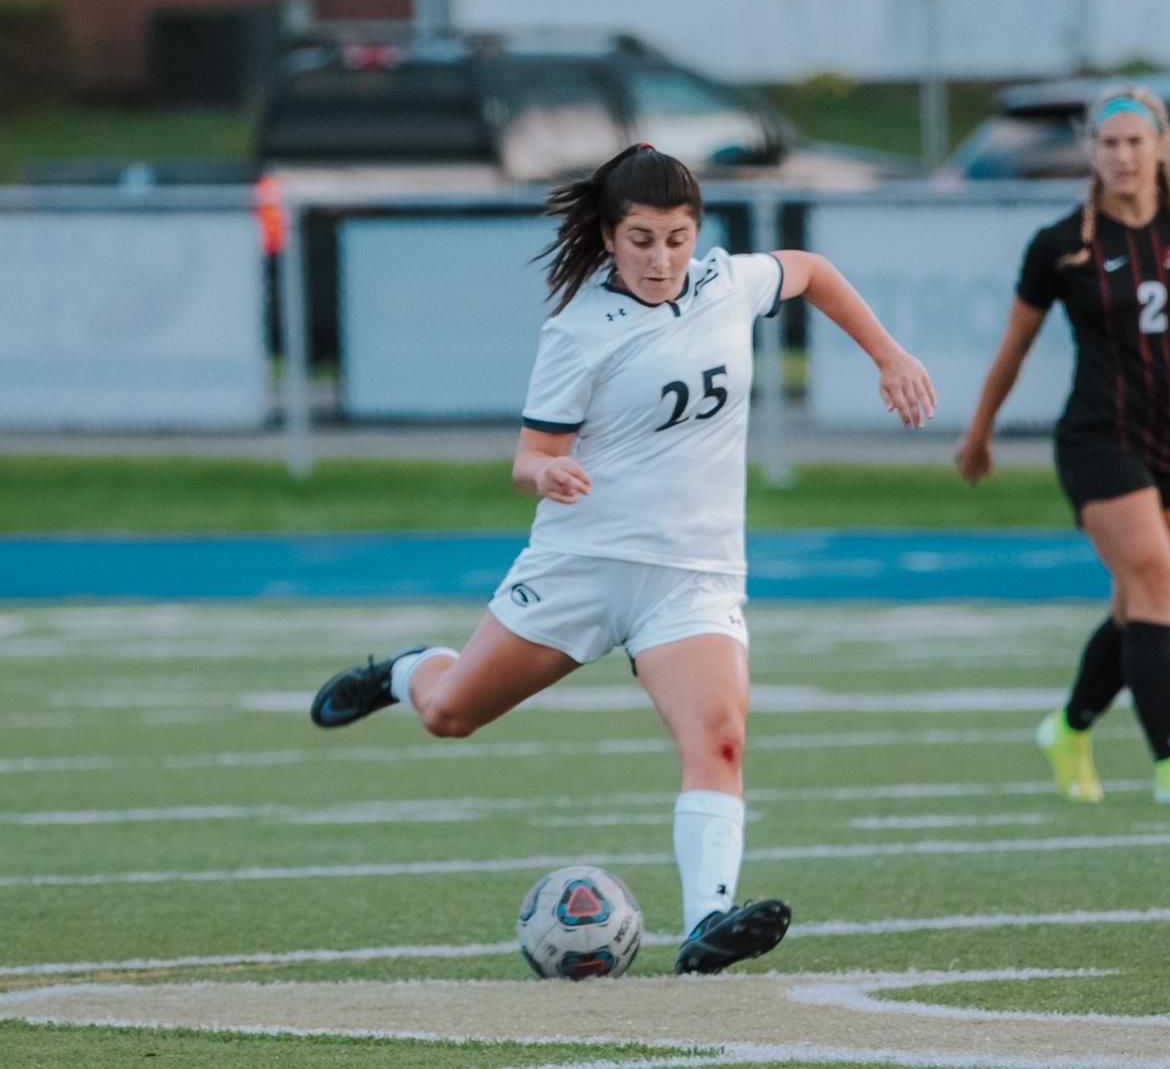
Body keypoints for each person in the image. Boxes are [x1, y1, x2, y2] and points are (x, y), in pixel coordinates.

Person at [308, 144, 936, 973]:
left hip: (692, 576)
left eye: (677, 237)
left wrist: (887, 353)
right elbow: (528, 456)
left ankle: (708, 922)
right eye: (641, 238)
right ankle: (405, 672)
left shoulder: (724, 283)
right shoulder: (579, 330)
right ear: (608, 236)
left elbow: (812, 270)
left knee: (718, 737)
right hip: (583, 565)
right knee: (450, 714)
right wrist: (548, 469)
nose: (661, 258)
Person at [954, 86, 1170, 805]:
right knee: (1152, 574)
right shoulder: (1063, 245)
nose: (1122, 155)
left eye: (1135, 142)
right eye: (1109, 143)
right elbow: (1013, 349)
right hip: (1095, 436)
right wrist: (980, 431)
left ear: (1161, 148)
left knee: (1138, 605)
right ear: (1092, 152)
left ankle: (1069, 726)